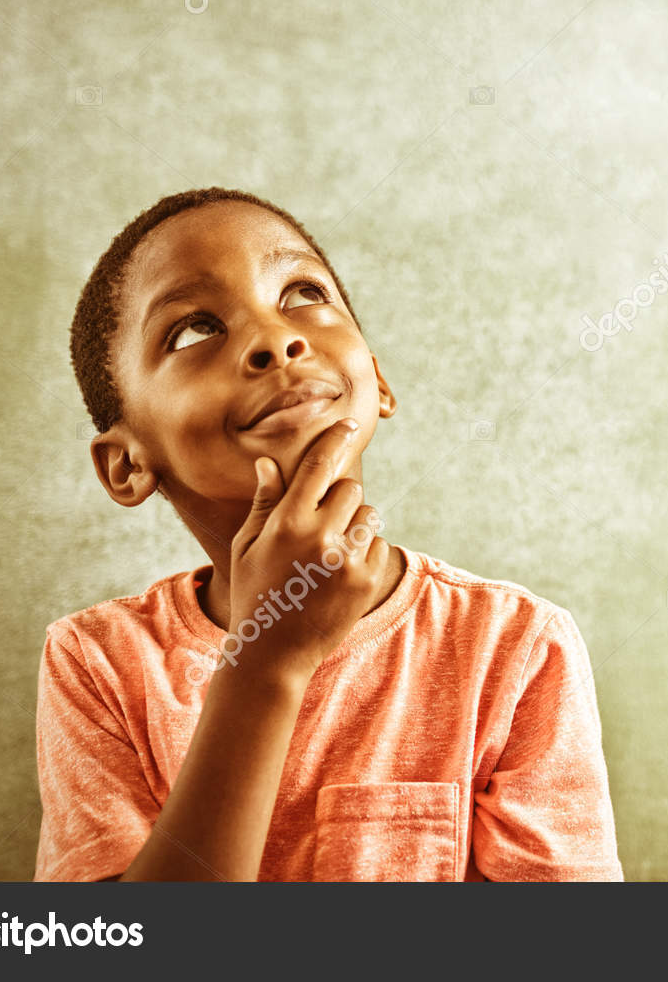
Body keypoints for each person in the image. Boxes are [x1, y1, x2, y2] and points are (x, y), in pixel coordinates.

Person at [34, 187, 622, 881]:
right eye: (194, 328)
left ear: (376, 376)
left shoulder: (517, 646)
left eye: (302, 292)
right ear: (127, 462)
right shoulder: (98, 663)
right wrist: (266, 663)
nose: (275, 339)